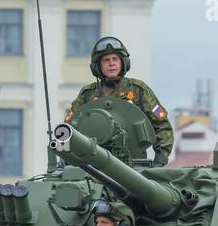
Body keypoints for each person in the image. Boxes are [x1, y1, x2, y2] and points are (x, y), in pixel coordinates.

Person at [64, 37, 174, 165]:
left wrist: (159, 161)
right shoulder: (87, 95)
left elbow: (162, 126)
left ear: (123, 62)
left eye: (115, 59)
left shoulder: (138, 90)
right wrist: (66, 157)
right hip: (92, 165)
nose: (111, 63)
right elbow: (68, 130)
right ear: (97, 66)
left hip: (133, 166)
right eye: (106, 60)